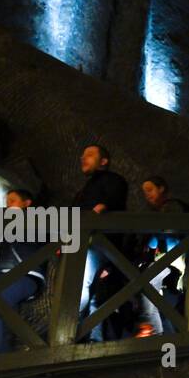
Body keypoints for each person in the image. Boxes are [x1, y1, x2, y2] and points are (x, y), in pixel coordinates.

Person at [0, 188, 46, 354]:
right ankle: (2, 361)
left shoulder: (35, 219)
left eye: (13, 201)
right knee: (2, 315)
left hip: (23, 273)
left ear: (26, 203)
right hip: (0, 275)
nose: (8, 205)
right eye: (6, 202)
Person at [72, 143, 128, 341]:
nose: (82, 158)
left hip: (97, 243)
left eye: (89, 154)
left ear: (103, 161)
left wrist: (100, 208)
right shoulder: (87, 187)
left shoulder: (113, 180)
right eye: (82, 154)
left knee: (81, 288)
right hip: (91, 243)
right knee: (93, 294)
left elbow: (113, 199)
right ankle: (91, 340)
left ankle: (71, 334)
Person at [135, 176, 189, 337]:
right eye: (145, 192)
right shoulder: (157, 212)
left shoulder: (172, 207)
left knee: (149, 280)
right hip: (167, 261)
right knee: (164, 305)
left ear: (161, 189)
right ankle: (162, 335)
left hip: (173, 261)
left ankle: (151, 329)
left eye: (150, 190)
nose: (147, 195)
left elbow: (166, 231)